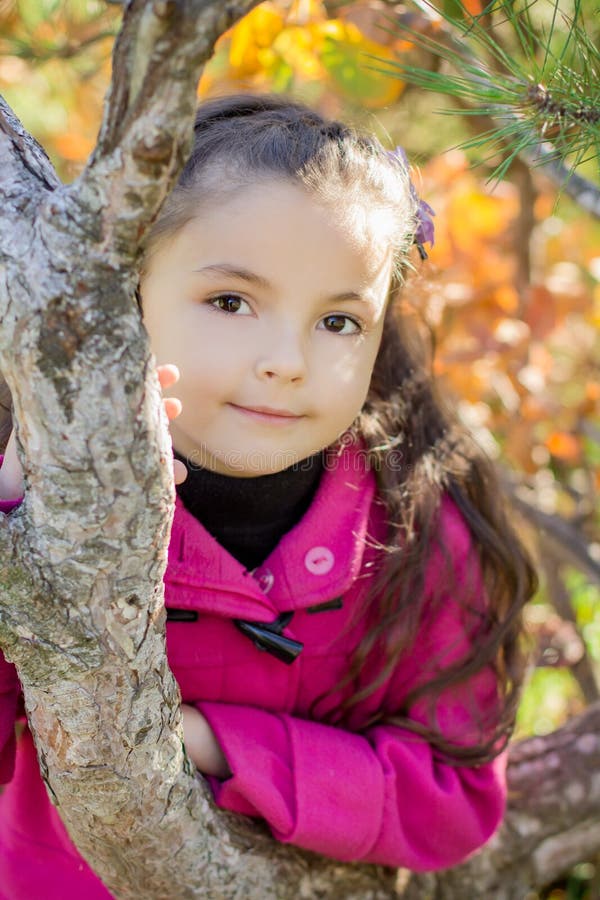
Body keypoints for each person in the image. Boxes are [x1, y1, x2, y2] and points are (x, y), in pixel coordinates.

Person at [0, 94, 536, 898]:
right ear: (127, 292)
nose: (287, 359)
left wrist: (219, 743)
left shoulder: (415, 534)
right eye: (230, 302)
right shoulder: (33, 500)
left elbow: (453, 797)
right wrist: (16, 529)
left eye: (339, 321)